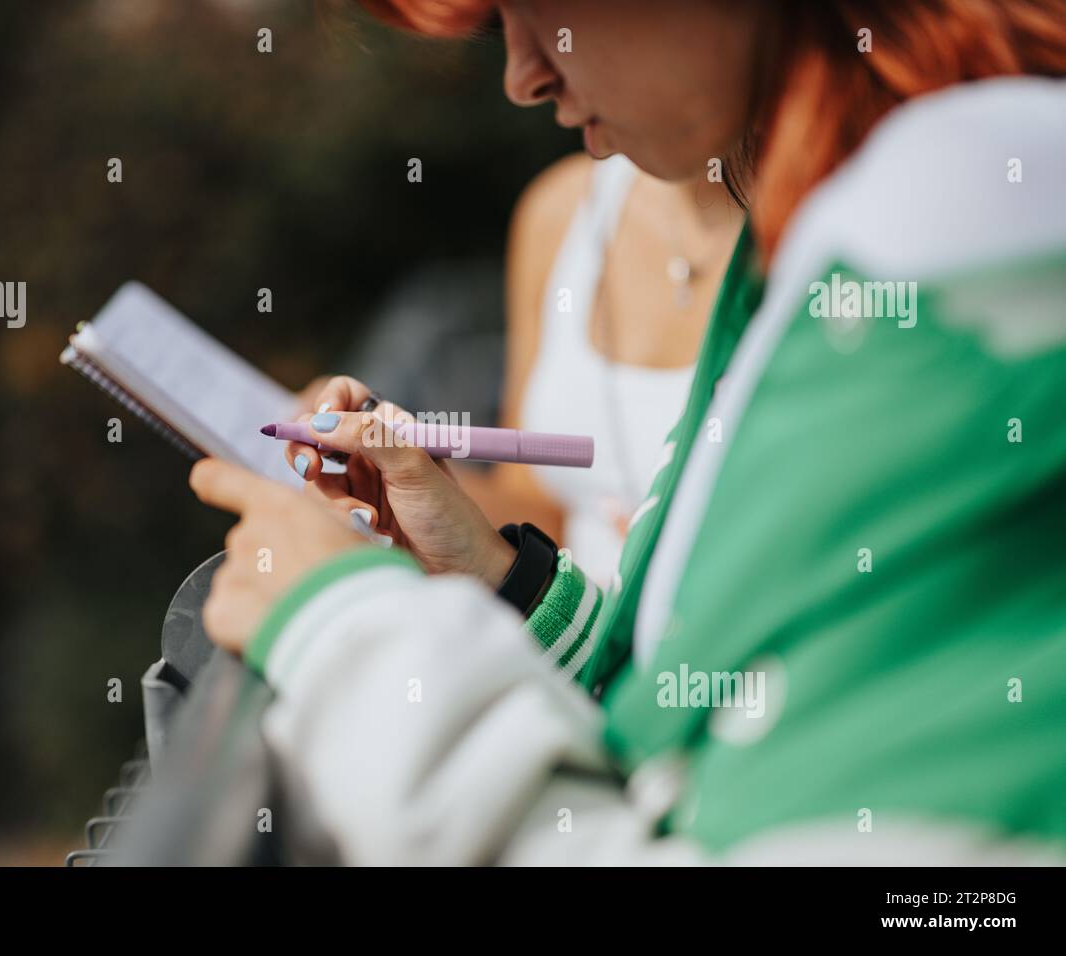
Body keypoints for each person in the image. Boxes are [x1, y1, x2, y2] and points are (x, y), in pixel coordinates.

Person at [189, 0, 1066, 864]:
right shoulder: (827, 237)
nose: (524, 76)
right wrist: (500, 577)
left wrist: (348, 634)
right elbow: (696, 731)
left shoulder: (966, 232)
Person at [449, 153, 741, 582]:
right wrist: (392, 476)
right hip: (568, 636)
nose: (525, 86)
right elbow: (539, 516)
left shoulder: (832, 228)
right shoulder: (561, 209)